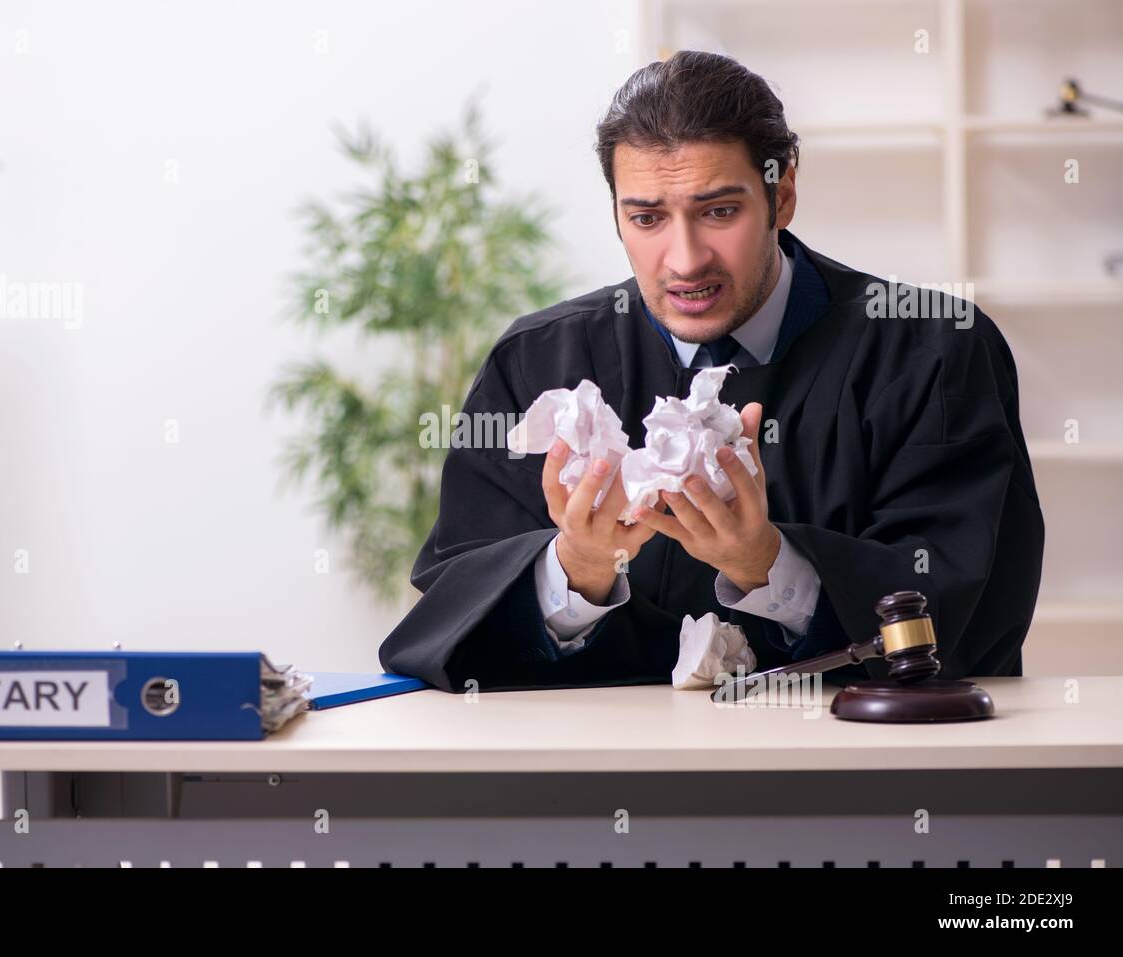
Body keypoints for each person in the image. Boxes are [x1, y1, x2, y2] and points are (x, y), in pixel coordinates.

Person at [378, 51, 1044, 693]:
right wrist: (578, 567)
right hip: (599, 778)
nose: (686, 259)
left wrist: (767, 565)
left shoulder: (932, 353)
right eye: (647, 217)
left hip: (860, 780)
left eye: (719, 211)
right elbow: (451, 615)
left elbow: (969, 614)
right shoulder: (538, 363)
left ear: (780, 197)